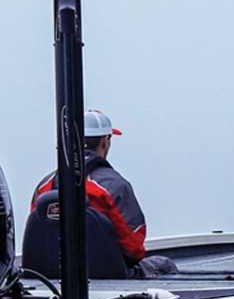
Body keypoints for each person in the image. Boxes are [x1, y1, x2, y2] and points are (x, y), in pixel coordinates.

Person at [31, 109, 178, 277]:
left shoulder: (44, 186)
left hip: (49, 275)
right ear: (105, 141)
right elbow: (133, 249)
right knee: (165, 265)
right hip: (108, 273)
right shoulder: (114, 186)